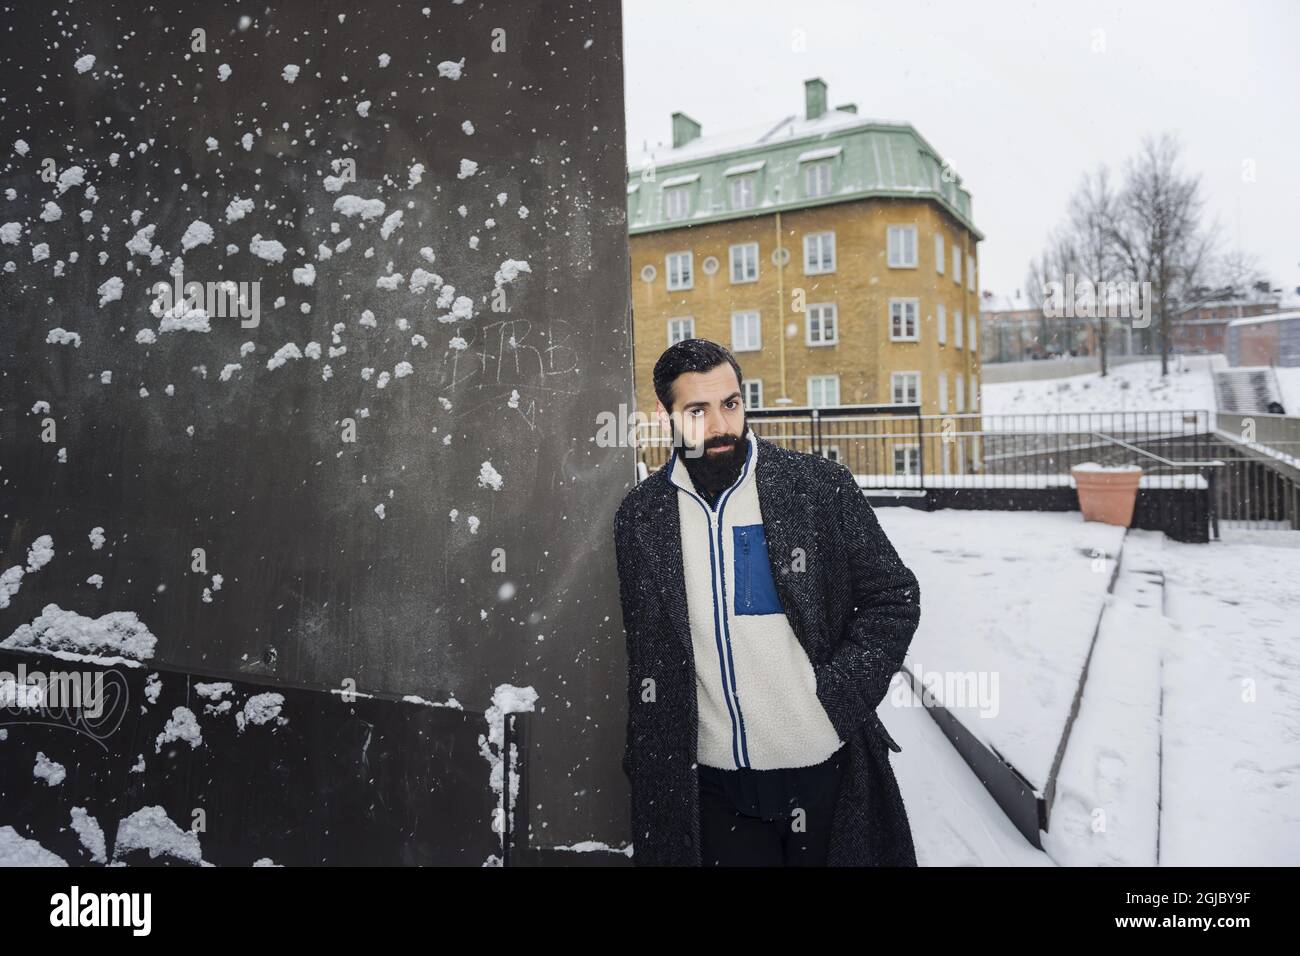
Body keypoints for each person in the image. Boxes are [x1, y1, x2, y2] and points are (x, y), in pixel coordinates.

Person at [613, 339, 922, 866]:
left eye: (730, 404)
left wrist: (835, 701)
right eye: (697, 410)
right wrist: (650, 754)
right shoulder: (642, 517)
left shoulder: (817, 487)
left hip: (821, 769)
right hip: (712, 787)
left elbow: (893, 598)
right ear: (665, 414)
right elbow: (649, 651)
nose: (720, 426)